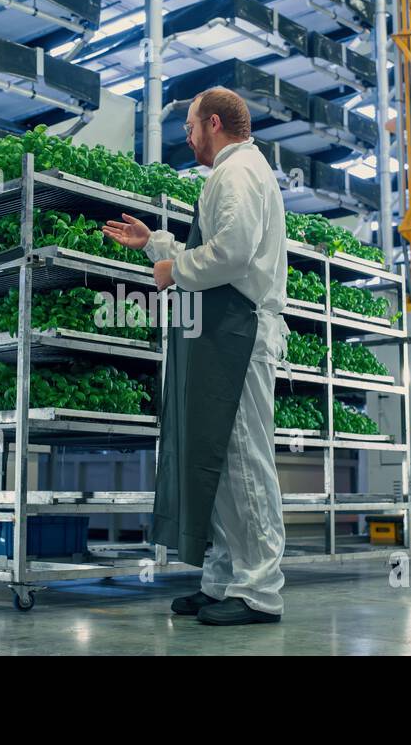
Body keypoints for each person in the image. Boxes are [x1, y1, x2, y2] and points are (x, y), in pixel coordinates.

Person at [103, 87, 289, 626]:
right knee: (219, 460)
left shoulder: (238, 172)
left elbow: (230, 254)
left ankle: (258, 591)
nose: (186, 137)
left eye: (189, 127)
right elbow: (218, 247)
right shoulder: (233, 173)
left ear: (213, 123)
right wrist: (154, 244)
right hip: (224, 332)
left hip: (240, 332)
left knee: (242, 462)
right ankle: (225, 579)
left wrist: (171, 271)